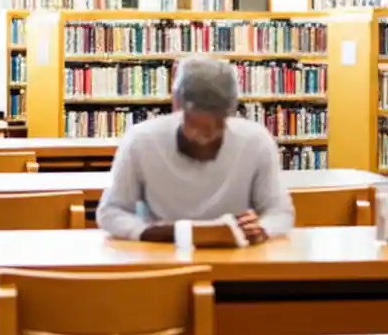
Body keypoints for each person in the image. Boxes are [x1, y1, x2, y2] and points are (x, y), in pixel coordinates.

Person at [97, 56, 295, 243]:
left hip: (236, 255)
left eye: (217, 122)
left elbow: (280, 212)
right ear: (177, 107)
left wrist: (262, 228)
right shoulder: (141, 140)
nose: (206, 134)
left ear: (230, 113)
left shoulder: (255, 141)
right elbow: (111, 212)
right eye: (195, 122)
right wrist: (150, 232)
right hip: (161, 252)